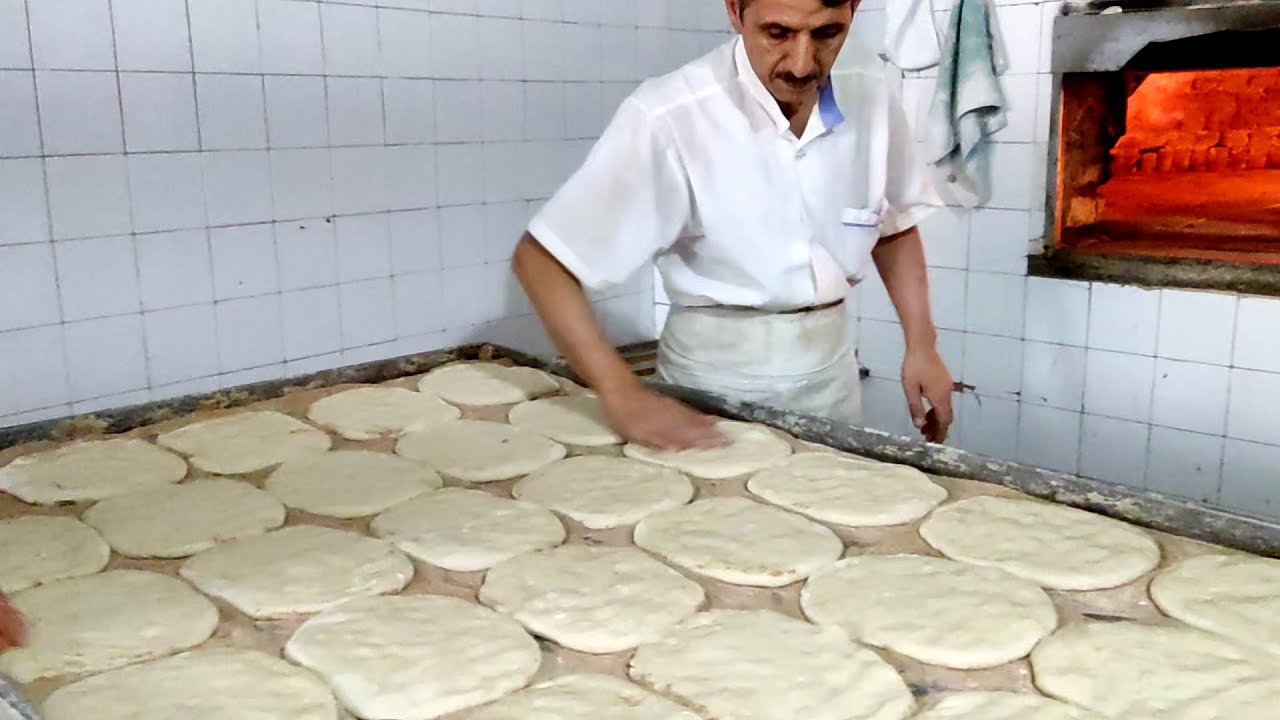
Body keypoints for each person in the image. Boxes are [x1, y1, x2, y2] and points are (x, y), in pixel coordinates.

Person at [513, 0, 955, 450]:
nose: (802, 65)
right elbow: (542, 262)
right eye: (777, 33)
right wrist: (621, 393)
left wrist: (922, 344)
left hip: (832, 380)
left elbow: (893, 224)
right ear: (734, 10)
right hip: (712, 391)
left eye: (827, 34)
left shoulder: (869, 89)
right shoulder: (671, 115)